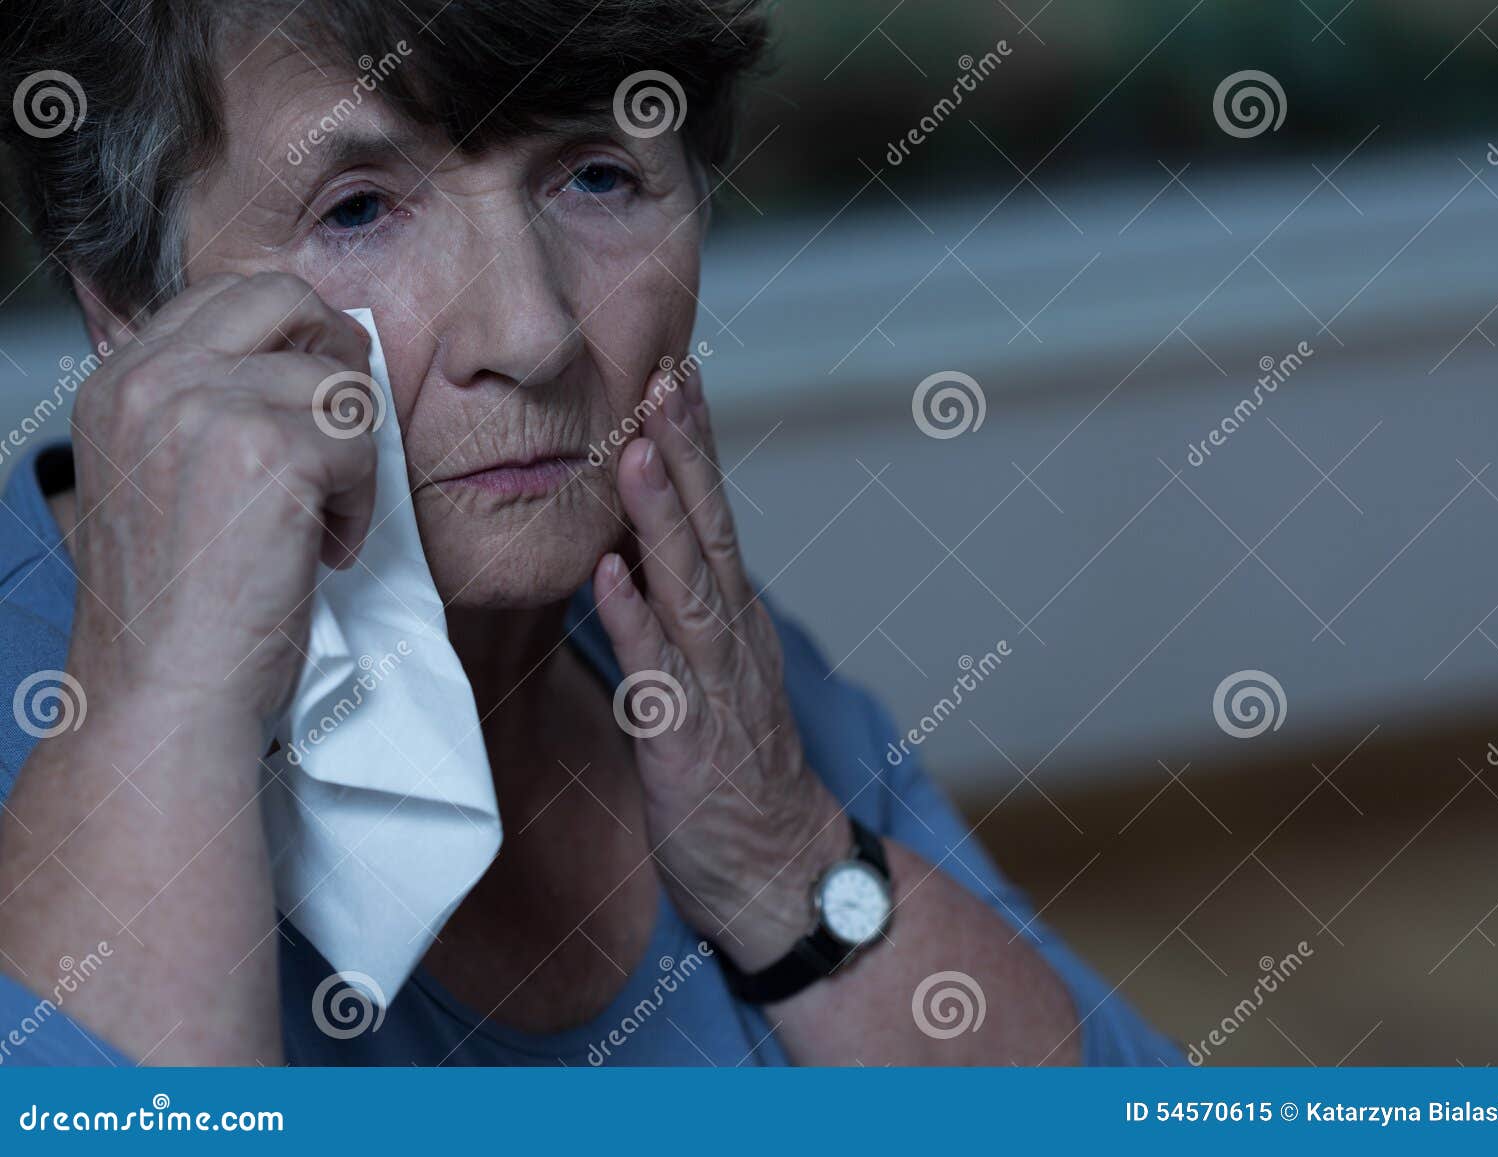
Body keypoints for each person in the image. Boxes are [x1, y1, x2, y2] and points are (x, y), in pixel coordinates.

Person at [0, 0, 1174, 1066]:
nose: (533, 331)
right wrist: (162, 711)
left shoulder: (700, 672)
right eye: (358, 210)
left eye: (597, 178)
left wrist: (788, 864)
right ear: (126, 309)